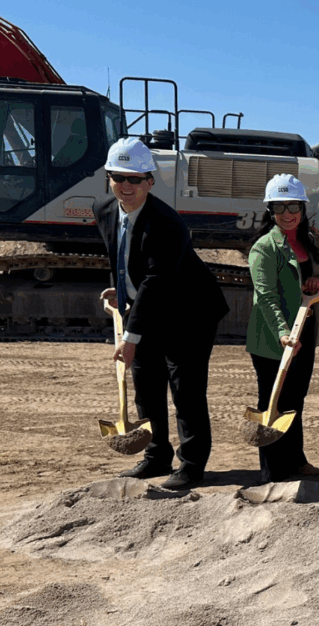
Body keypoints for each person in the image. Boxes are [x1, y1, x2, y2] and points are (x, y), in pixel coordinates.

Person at [95, 137, 229, 489]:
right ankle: (155, 457)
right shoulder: (105, 208)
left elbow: (158, 280)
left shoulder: (167, 223)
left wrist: (129, 337)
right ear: (109, 178)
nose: (126, 185)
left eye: (135, 179)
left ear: (149, 182)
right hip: (150, 305)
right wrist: (121, 288)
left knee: (185, 388)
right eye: (118, 177)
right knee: (146, 385)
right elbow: (123, 255)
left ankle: (191, 465)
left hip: (190, 312)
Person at [246, 174, 319, 483]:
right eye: (280, 206)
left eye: (293, 205)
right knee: (272, 403)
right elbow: (266, 297)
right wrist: (284, 333)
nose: (287, 213)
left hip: (306, 334)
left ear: (302, 207)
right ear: (270, 210)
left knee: (295, 400)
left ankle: (296, 461)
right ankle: (272, 472)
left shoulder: (307, 241)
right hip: (274, 338)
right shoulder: (263, 248)